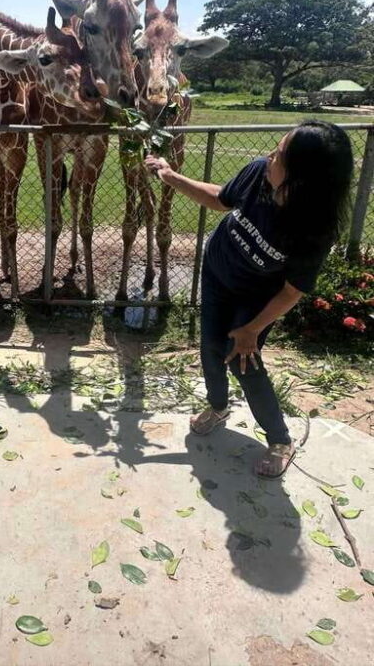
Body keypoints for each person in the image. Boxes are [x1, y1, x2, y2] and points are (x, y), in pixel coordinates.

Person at [145, 120, 354, 478]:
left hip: (256, 299)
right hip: (217, 276)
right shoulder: (259, 173)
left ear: (303, 177)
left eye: (280, 155)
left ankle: (280, 440)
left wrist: (252, 329)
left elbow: (292, 290)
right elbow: (220, 198)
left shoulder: (313, 227)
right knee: (210, 347)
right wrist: (170, 175)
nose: (269, 155)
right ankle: (218, 407)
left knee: (244, 363)